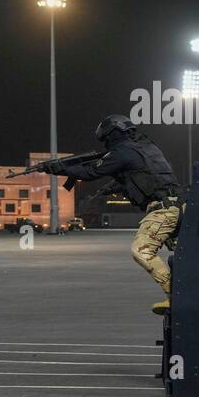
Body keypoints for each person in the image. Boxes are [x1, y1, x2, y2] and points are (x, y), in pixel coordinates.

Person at [47, 116, 182, 314]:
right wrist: (113, 187)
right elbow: (142, 175)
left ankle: (177, 296)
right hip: (178, 207)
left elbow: (92, 171)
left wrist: (60, 169)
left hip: (163, 210)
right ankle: (193, 293)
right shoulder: (148, 148)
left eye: (107, 139)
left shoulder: (124, 151)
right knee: (184, 256)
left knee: (141, 250)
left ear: (114, 134)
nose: (107, 144)